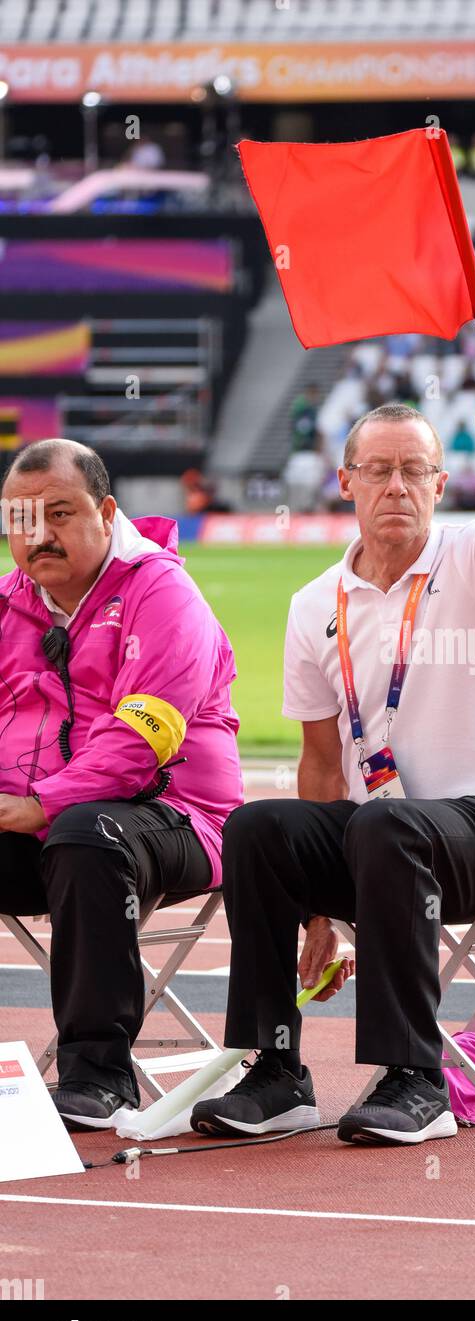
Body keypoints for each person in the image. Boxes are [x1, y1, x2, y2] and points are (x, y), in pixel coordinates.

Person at [191, 376, 475, 1147]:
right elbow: (320, 766)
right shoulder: (314, 603)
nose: (396, 486)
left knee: (387, 828)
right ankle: (277, 1071)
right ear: (345, 480)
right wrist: (318, 915)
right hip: (373, 841)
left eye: (414, 470)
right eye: (378, 470)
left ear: (439, 483)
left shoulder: (472, 562)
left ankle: (414, 1078)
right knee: (257, 828)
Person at [0, 440, 243, 1130]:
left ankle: (98, 1078)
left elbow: (143, 740)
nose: (38, 534)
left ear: (107, 513)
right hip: (45, 829)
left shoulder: (163, 593)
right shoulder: (7, 605)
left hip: (176, 819)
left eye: (59, 513)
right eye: (19, 518)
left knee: (86, 831)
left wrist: (39, 804)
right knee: (77, 833)